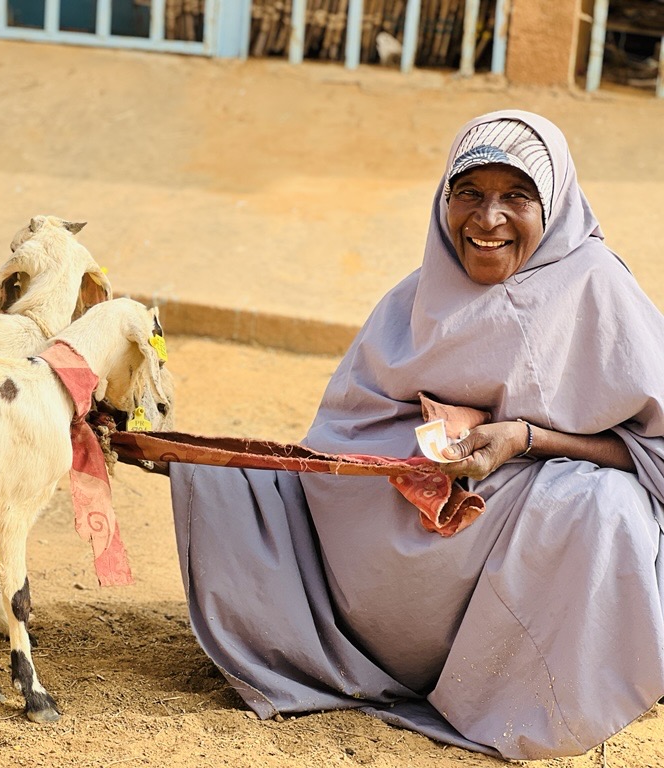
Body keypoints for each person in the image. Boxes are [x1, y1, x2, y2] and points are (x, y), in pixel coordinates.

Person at [168, 110, 664, 760]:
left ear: (556, 206)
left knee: (604, 508)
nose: (487, 221)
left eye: (517, 196)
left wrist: (525, 438)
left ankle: (525, 688)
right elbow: (342, 440)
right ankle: (401, 658)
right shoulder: (415, 299)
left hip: (538, 549)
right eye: (470, 194)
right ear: (444, 201)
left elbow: (652, 446)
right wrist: (423, 460)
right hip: (405, 573)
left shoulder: (598, 291)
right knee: (240, 485)